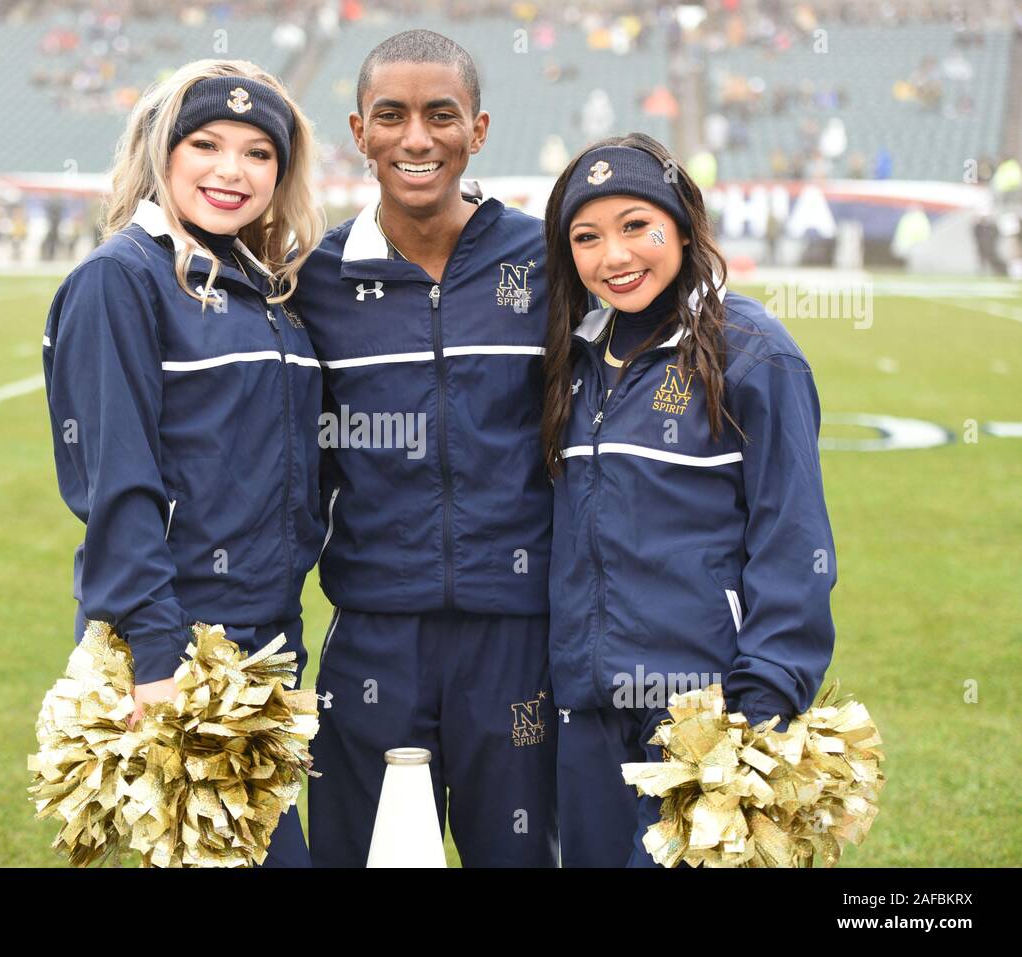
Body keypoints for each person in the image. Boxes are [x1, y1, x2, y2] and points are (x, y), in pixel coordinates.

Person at [42, 59, 326, 867]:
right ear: (161, 151)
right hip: (178, 650)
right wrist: (161, 657)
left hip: (265, 646)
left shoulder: (265, 291)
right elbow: (118, 487)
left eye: (258, 152)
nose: (232, 170)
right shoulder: (120, 280)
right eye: (205, 143)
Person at [292, 30, 563, 867]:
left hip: (518, 638)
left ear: (477, 131)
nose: (417, 139)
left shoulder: (548, 260)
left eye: (440, 115)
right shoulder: (318, 280)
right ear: (359, 131)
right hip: (375, 636)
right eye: (392, 116)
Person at [540, 133, 837, 867]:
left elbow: (795, 541)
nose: (614, 255)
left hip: (707, 717)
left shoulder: (752, 350)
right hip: (587, 713)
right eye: (587, 236)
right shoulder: (571, 358)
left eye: (636, 225)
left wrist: (760, 703)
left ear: (681, 223)